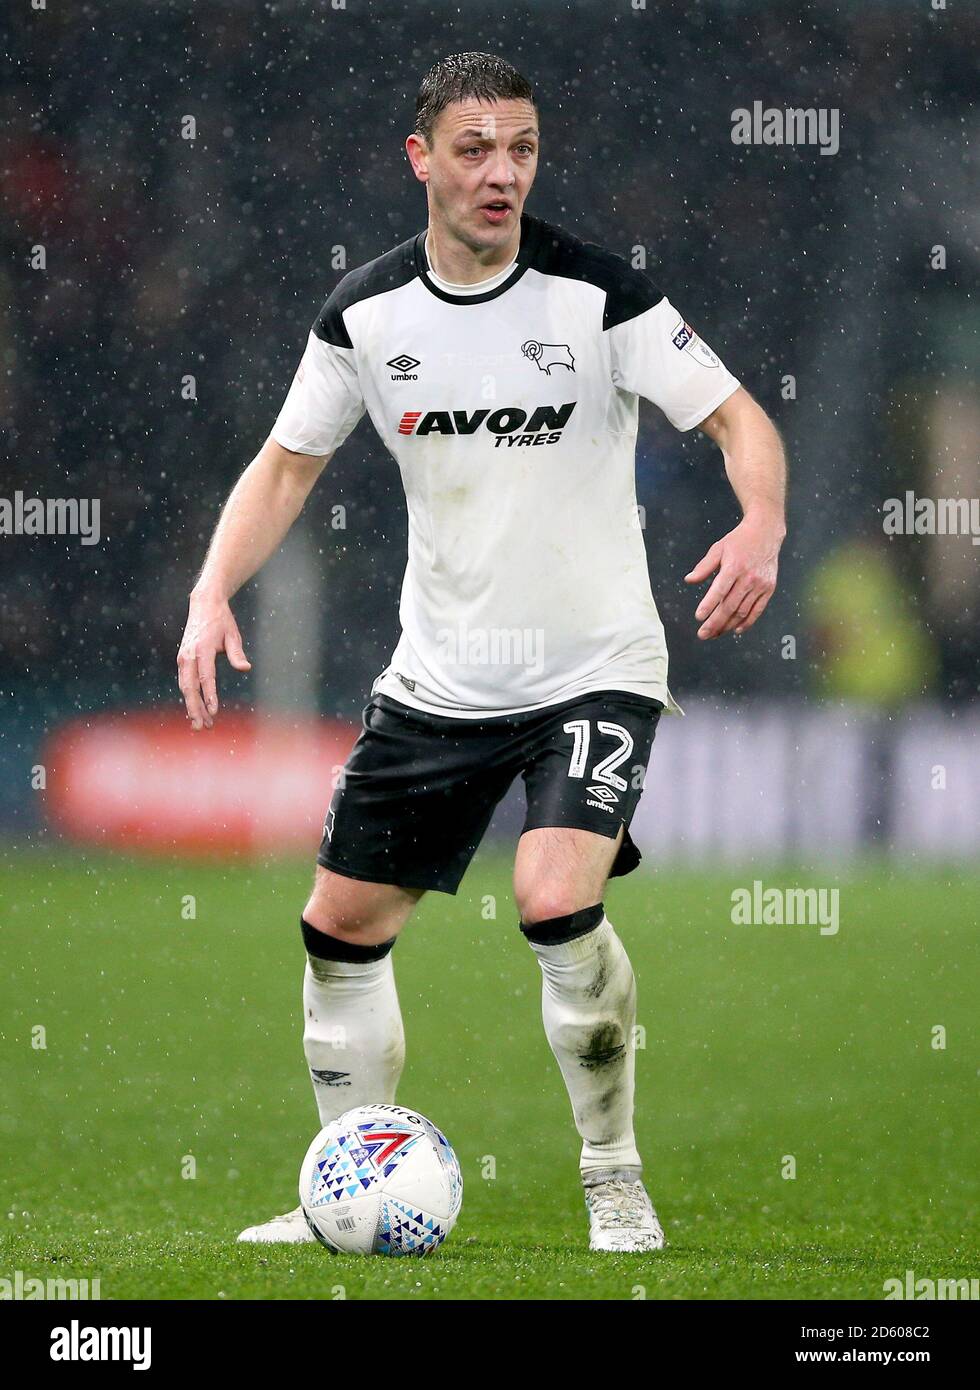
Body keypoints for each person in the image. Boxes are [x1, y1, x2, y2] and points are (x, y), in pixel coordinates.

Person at [177, 52, 786, 1252]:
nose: (501, 173)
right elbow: (286, 466)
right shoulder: (364, 313)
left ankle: (611, 1175)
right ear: (420, 160)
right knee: (339, 927)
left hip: (591, 666)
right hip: (440, 677)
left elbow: (735, 416)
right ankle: (346, 1181)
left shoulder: (597, 293)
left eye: (521, 149)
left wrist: (759, 518)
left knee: (553, 898)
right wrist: (210, 589)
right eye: (474, 150)